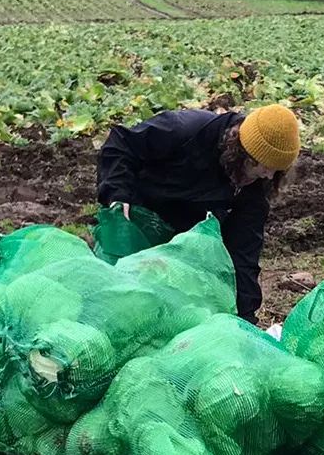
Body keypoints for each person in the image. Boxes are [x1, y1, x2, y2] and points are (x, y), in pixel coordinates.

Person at [95, 104, 300, 325]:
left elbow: (242, 256)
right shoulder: (185, 130)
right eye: (259, 165)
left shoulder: (254, 188)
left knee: (165, 310)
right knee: (116, 297)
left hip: (183, 239)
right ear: (240, 150)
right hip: (138, 218)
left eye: (275, 170)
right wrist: (117, 194)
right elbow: (121, 144)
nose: (267, 176)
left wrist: (245, 321)